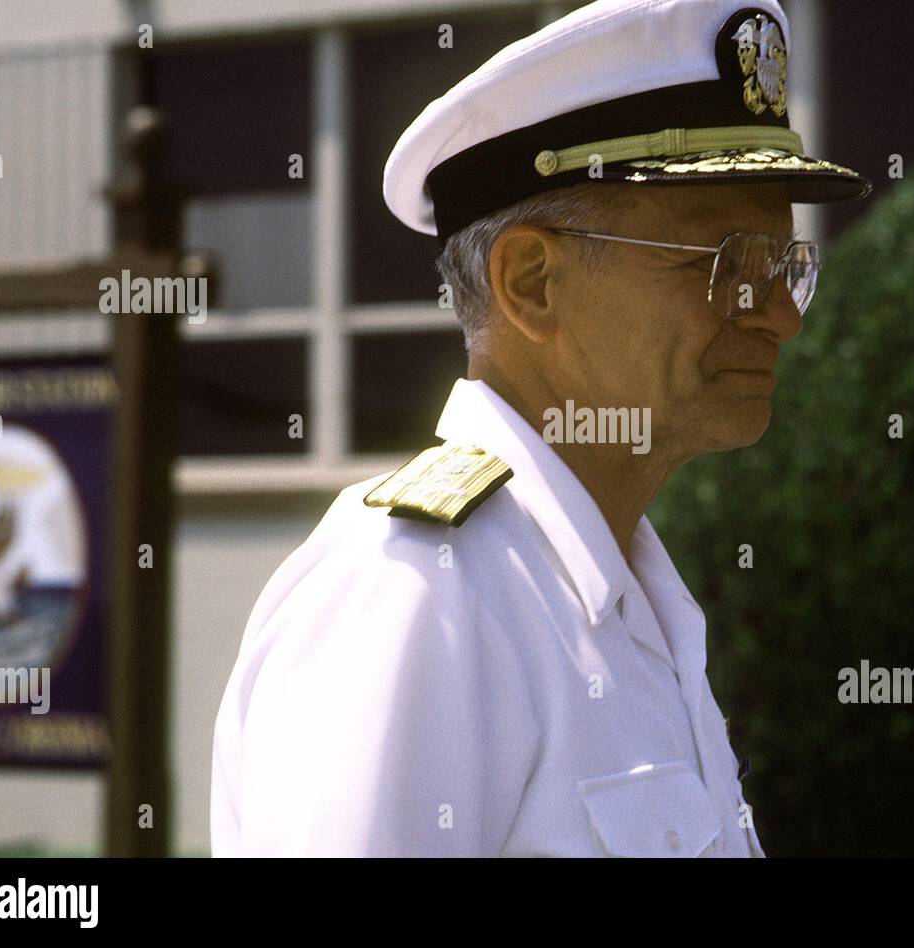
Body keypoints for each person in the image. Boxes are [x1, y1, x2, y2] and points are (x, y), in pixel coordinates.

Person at [211, 0, 869, 857]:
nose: (781, 315)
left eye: (783, 265)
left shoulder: (629, 598)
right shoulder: (417, 594)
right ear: (530, 283)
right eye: (727, 265)